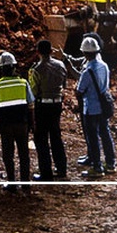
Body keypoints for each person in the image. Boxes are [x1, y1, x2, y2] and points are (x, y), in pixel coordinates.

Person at [0, 52, 35, 191]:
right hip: (22, 123)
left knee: (8, 154)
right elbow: (31, 106)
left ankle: (12, 183)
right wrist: (32, 124)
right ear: (14, 67)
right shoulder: (23, 83)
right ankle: (25, 183)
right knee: (24, 154)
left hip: (6, 125)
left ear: (1, 69)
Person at [74, 33, 115, 178]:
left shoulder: (87, 71)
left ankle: (97, 167)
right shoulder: (104, 66)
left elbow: (79, 91)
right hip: (103, 107)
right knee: (105, 134)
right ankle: (110, 164)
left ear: (85, 53)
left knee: (93, 138)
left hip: (91, 109)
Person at [28, 39, 68, 180]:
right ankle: (61, 168)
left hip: (42, 106)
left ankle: (46, 173)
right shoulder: (61, 65)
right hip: (57, 104)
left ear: (37, 52)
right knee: (56, 135)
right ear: (51, 51)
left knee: (41, 138)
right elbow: (64, 84)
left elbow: (33, 92)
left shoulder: (36, 69)